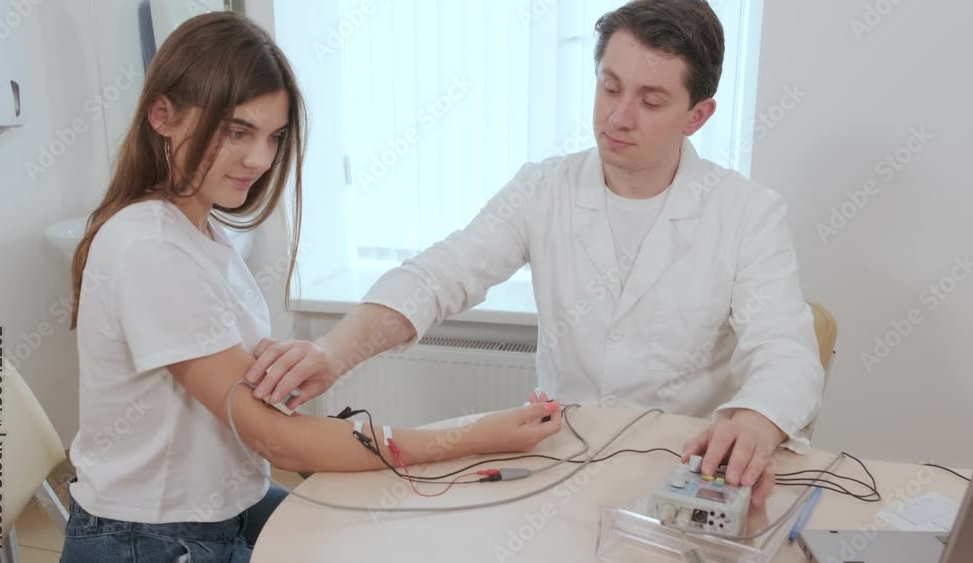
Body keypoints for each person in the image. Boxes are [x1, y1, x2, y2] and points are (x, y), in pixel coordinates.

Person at [247, 0, 824, 508]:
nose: (618, 117)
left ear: (697, 115)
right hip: (561, 460)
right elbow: (438, 276)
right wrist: (334, 352)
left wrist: (756, 422)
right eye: (610, 87)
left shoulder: (747, 213)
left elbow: (786, 350)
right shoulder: (544, 189)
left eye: (651, 101)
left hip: (683, 472)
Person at [60, 13, 561, 563]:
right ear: (163, 115)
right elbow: (273, 440)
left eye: (273, 137)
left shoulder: (201, 232)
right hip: (150, 537)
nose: (260, 159)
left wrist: (282, 380)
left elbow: (255, 414)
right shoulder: (148, 246)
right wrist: (473, 437)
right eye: (237, 131)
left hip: (229, 506)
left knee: (386, 533)